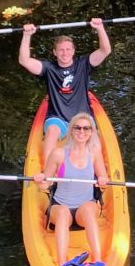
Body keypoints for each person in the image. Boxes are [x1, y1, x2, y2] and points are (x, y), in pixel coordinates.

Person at [19, 18, 111, 167]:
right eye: (61, 50)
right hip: (58, 119)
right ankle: (50, 172)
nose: (65, 53)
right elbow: (24, 61)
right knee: (51, 133)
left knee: (94, 143)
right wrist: (27, 35)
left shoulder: (84, 64)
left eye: (68, 49)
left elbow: (105, 50)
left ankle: (98, 172)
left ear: (73, 51)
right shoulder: (49, 68)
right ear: (55, 52)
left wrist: (100, 28)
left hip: (82, 117)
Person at [32, 112, 109, 266]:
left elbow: (104, 179)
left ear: (91, 132)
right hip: (61, 207)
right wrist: (39, 181)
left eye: (86, 128)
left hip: (83, 209)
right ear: (71, 130)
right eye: (77, 128)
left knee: (89, 210)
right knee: (62, 213)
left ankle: (97, 261)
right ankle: (62, 265)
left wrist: (103, 180)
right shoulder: (59, 154)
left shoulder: (94, 153)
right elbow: (46, 184)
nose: (82, 132)